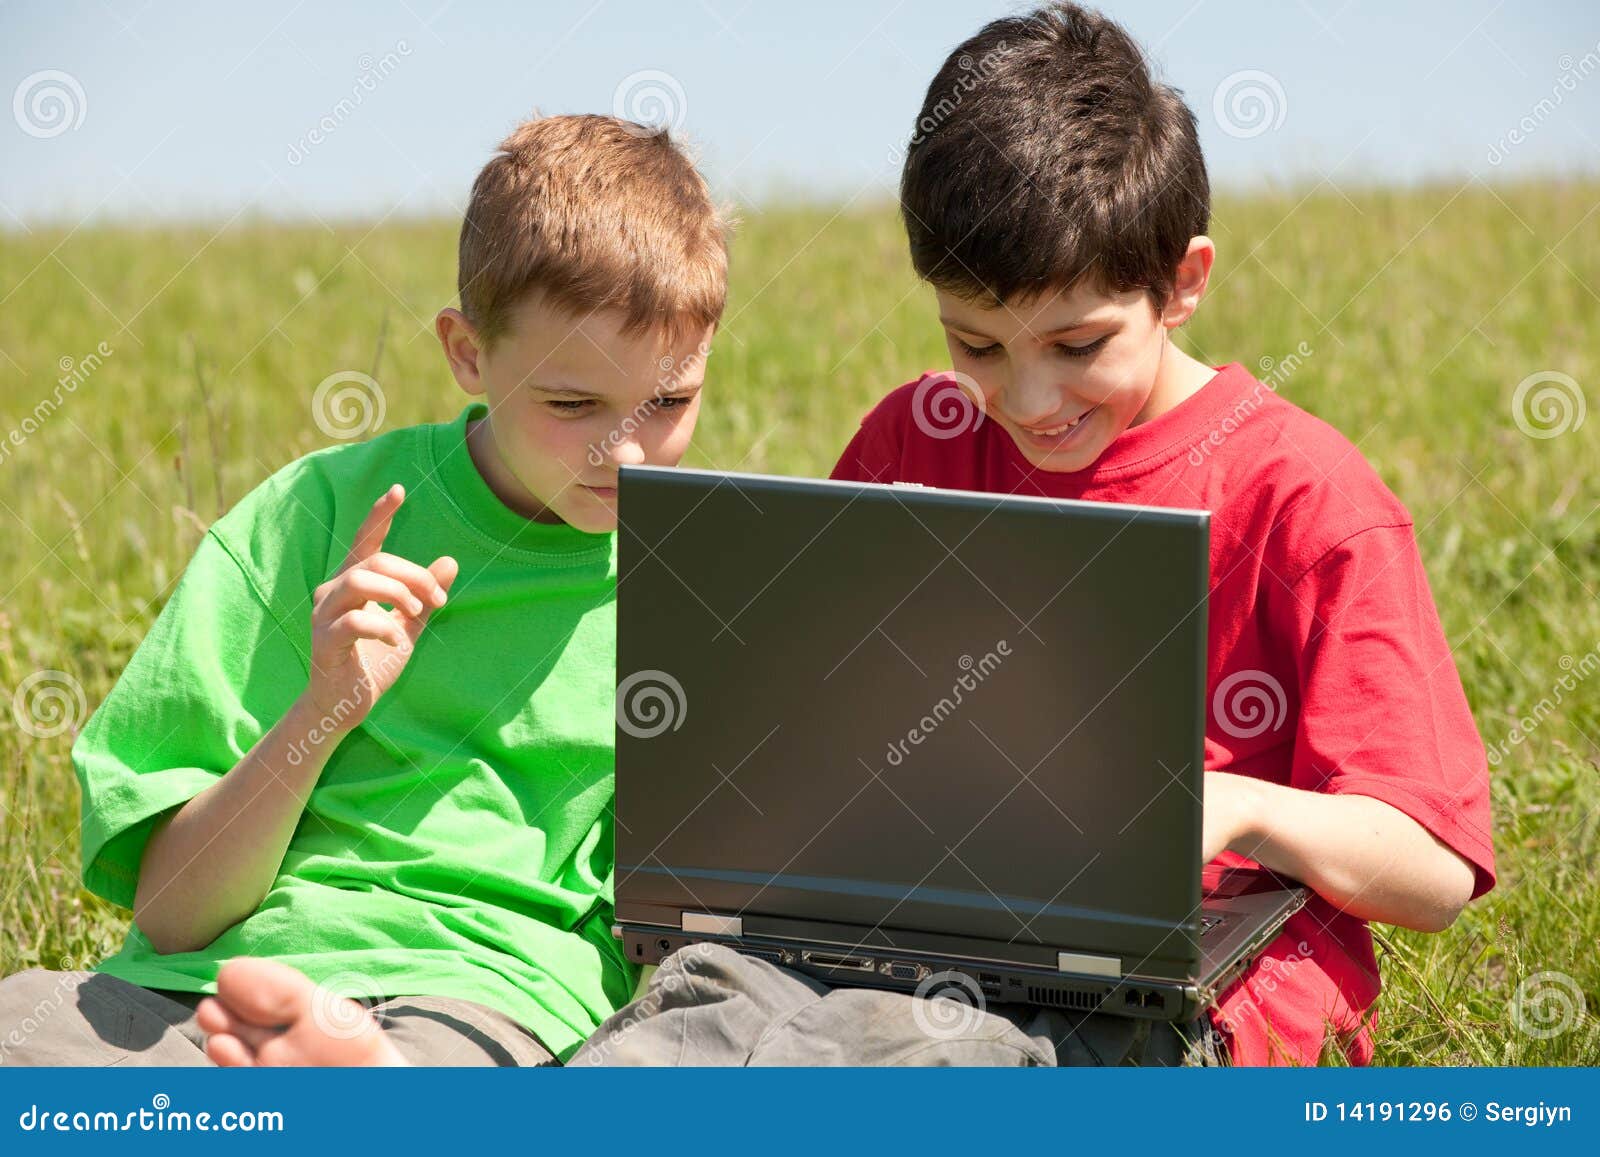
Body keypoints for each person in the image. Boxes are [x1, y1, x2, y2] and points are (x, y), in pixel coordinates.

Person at [0, 112, 728, 1066]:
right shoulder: (308, 516)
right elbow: (174, 916)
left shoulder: (714, 584)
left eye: (668, 402)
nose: (625, 450)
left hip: (475, 999)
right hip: (204, 986)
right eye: (571, 403)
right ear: (467, 353)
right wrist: (325, 709)